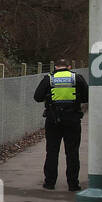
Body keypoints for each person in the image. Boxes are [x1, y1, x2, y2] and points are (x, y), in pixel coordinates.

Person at [34, 60, 89, 191]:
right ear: (69, 67)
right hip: (73, 120)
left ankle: (50, 183)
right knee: (72, 152)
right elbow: (87, 97)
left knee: (52, 151)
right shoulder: (77, 78)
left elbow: (37, 97)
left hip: (53, 121)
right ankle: (73, 184)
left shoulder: (49, 79)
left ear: (56, 67)